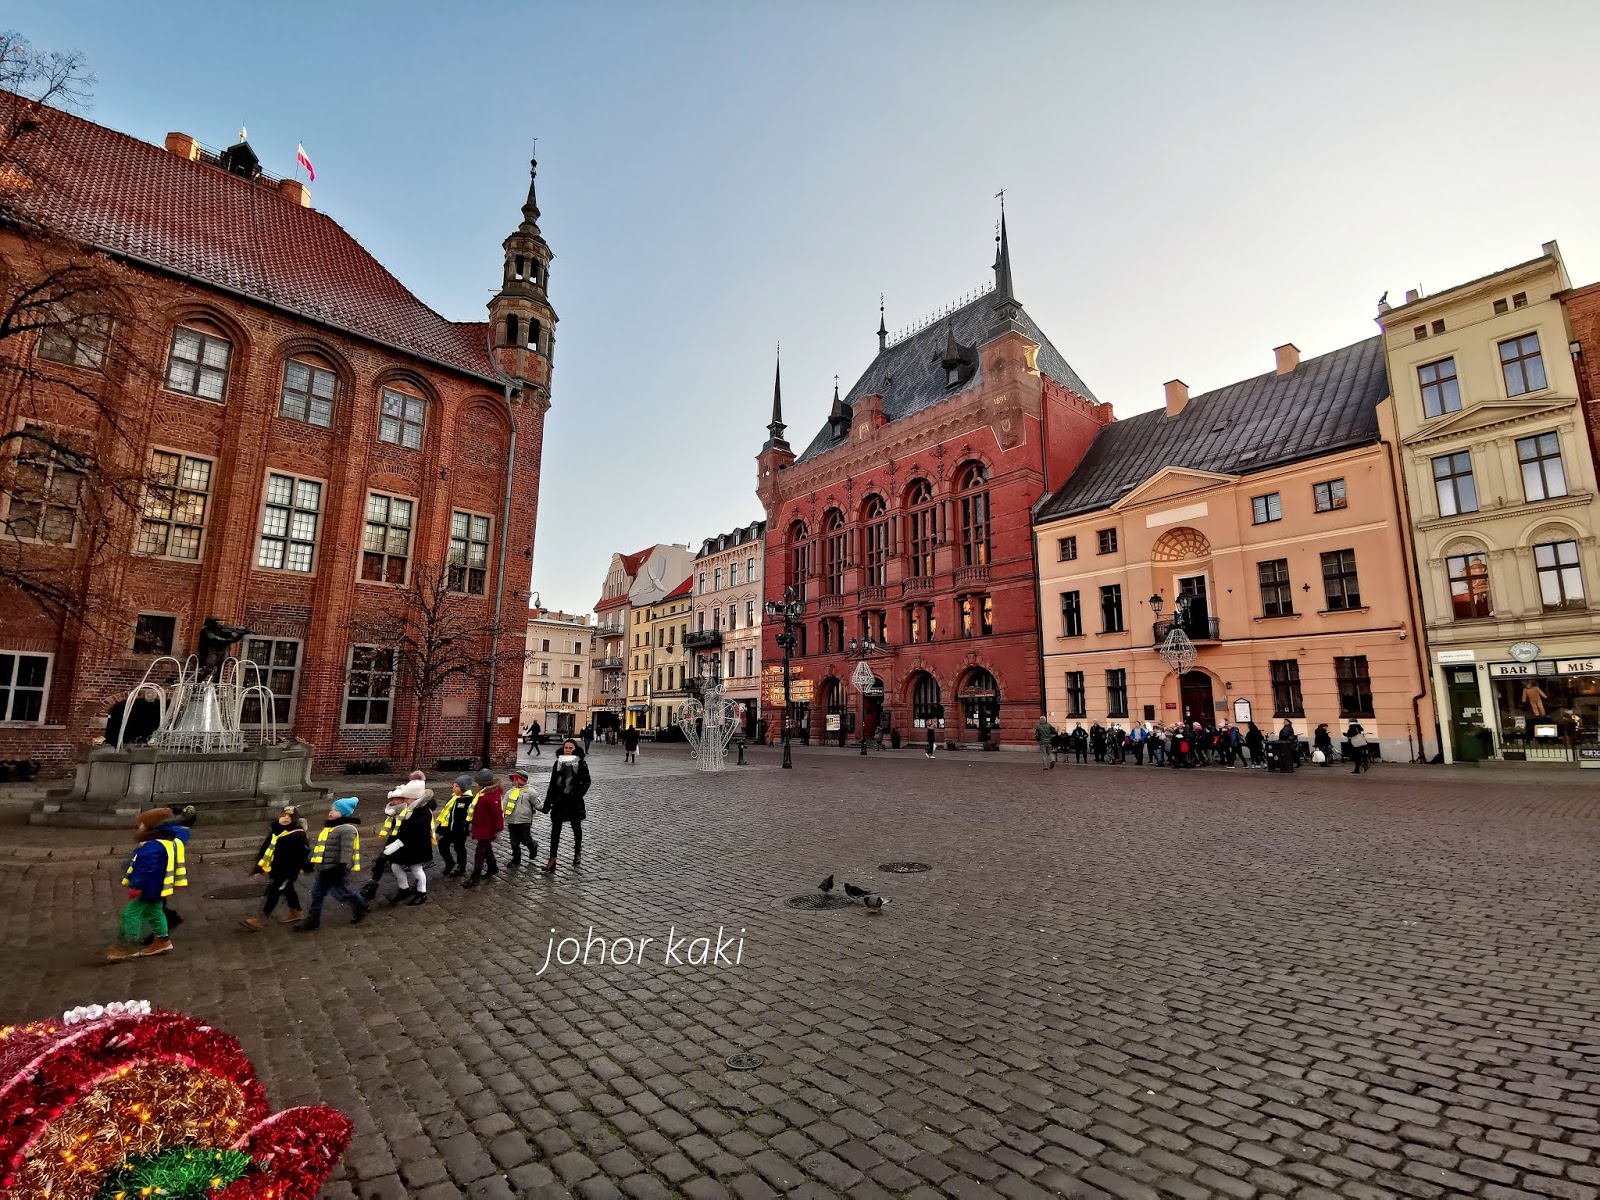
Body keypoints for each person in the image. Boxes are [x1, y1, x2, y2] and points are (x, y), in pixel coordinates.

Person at [107, 807, 186, 961]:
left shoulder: (151, 846)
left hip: (147, 888)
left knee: (130, 914)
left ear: (151, 826)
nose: (138, 827)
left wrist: (137, 886)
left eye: (141, 824)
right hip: (159, 888)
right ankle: (162, 941)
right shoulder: (169, 842)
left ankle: (126, 946)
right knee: (155, 912)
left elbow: (144, 870)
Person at [296, 798, 367, 932]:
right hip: (325, 867)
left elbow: (346, 849)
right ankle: (313, 919)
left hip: (335, 868)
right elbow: (321, 847)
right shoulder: (330, 828)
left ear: (344, 814)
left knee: (342, 892)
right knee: (318, 893)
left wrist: (341, 866)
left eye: (335, 811)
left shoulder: (347, 829)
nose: (331, 812)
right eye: (331, 810)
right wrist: (312, 860)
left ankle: (360, 904)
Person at [240, 805, 310, 930]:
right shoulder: (275, 831)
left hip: (287, 871)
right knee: (288, 889)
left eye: (289, 816)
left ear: (294, 819)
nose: (285, 818)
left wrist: (306, 867)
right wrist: (258, 868)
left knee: (273, 891)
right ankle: (296, 911)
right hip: (276, 869)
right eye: (283, 815)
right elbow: (266, 850)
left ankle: (260, 918)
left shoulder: (297, 835)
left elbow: (302, 854)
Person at [364, 772, 424, 901]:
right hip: (395, 840)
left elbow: (412, 831)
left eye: (396, 799)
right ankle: (400, 888)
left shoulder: (410, 814)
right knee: (390, 864)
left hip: (404, 843)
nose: (393, 802)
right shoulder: (394, 813)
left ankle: (419, 891)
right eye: (391, 799)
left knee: (412, 867)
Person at [543, 741, 591, 871]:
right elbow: (552, 783)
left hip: (574, 801)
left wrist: (579, 793)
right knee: (555, 830)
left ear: (575, 749)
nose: (568, 750)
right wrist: (548, 802)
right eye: (566, 747)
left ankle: (577, 852)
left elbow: (587, 780)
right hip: (559, 800)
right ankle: (552, 859)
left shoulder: (580, 763)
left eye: (570, 748)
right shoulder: (558, 763)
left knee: (576, 827)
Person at [387, 785, 436, 905]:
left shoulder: (422, 811)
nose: (405, 800)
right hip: (406, 845)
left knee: (416, 869)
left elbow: (414, 830)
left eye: (407, 798)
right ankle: (404, 888)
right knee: (396, 866)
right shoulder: (408, 810)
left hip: (417, 847)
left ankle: (421, 893)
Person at [462, 768, 505, 888]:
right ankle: (492, 868)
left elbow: (497, 815)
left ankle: (475, 876)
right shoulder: (485, 794)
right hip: (482, 826)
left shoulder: (490, 797)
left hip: (487, 829)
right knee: (486, 849)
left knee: (480, 852)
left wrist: (498, 830)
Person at [438, 773, 473, 877]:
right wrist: (442, 826)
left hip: (459, 830)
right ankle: (449, 862)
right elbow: (447, 813)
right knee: (442, 844)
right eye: (453, 785)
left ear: (463, 788)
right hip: (449, 828)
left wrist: (465, 826)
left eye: (457, 786)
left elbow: (469, 815)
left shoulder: (468, 800)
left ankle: (461, 867)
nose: (454, 788)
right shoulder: (453, 798)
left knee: (459, 848)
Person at [504, 768, 539, 868]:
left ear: (522, 780)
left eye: (515, 779)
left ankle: (532, 845)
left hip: (524, 820)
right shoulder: (510, 792)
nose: (513, 781)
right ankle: (516, 858)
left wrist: (544, 808)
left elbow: (538, 803)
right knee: (514, 841)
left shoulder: (530, 792)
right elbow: (504, 804)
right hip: (512, 820)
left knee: (525, 838)